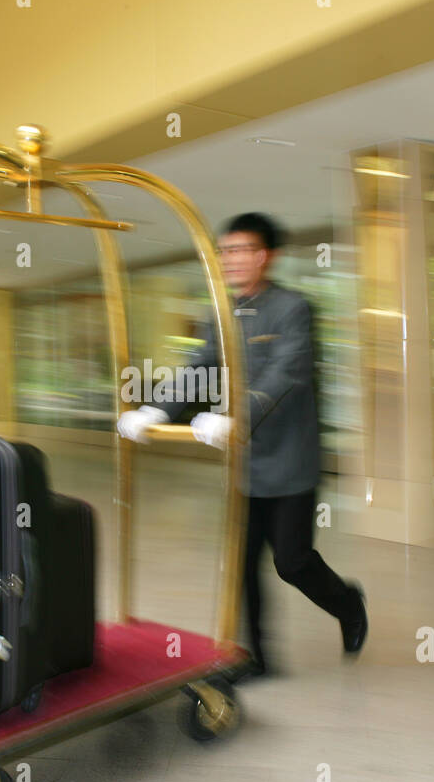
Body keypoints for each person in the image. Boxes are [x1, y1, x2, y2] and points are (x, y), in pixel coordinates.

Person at [117, 212, 367, 678]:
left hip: (290, 461)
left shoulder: (293, 308)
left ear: (265, 256)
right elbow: (199, 366)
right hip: (244, 463)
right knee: (242, 564)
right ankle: (255, 658)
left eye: (239, 250)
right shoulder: (223, 313)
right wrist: (155, 410)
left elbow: (285, 374)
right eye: (224, 251)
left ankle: (348, 603)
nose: (229, 260)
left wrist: (237, 416)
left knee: (292, 563)